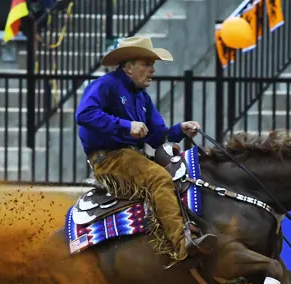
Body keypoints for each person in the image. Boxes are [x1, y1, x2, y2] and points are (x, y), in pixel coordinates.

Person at [75, 35, 217, 263]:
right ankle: (182, 245)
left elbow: (158, 136)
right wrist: (126, 125)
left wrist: (181, 129)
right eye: (146, 64)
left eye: (153, 65)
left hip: (133, 157)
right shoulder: (105, 85)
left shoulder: (142, 97)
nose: (152, 70)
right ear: (129, 67)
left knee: (185, 173)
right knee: (160, 179)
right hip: (109, 159)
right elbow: (84, 114)